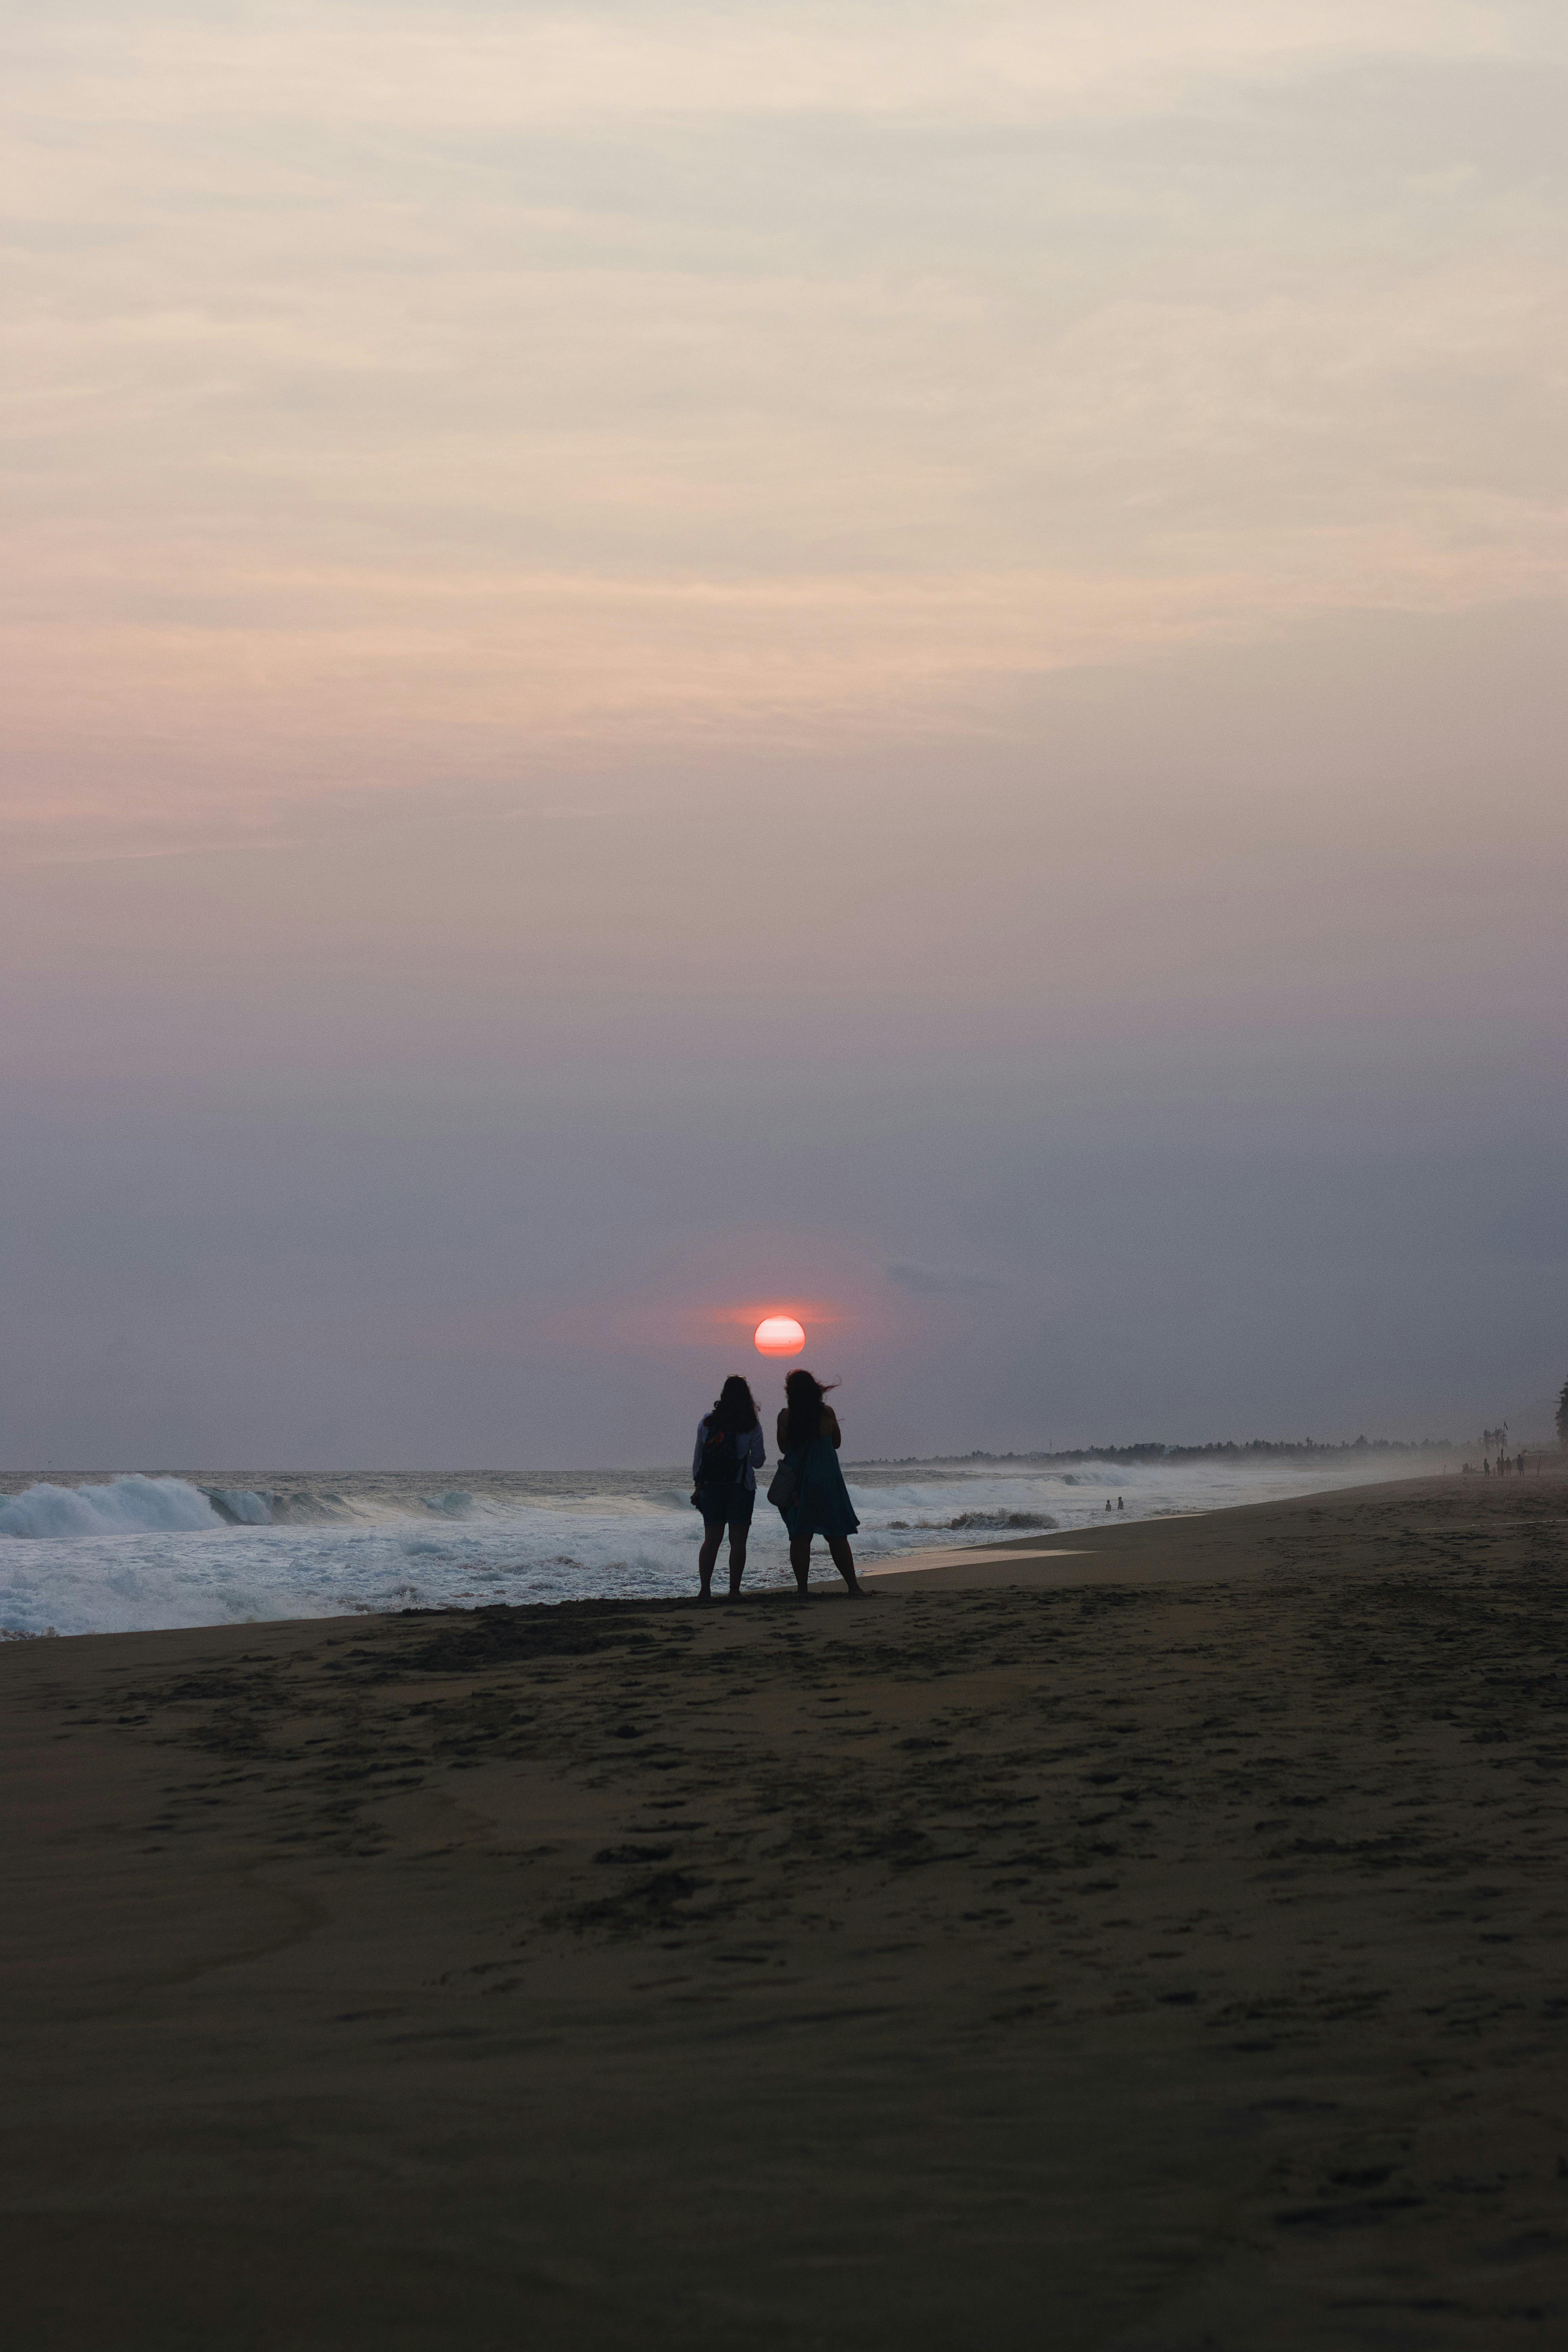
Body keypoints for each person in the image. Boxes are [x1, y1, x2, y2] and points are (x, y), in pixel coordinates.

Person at [773, 1368, 862, 1597]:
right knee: (837, 1535)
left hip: (801, 1484)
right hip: (827, 1479)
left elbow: (784, 1448)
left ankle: (803, 1589)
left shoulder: (785, 1416)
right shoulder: (827, 1413)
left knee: (801, 1536)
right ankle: (853, 1586)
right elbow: (837, 1443)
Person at [691, 1375, 765, 1600]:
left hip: (711, 1488)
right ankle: (734, 1591)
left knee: (712, 1540)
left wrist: (699, 1485)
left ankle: (705, 1591)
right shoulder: (751, 1425)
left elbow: (699, 1459)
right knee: (738, 1541)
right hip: (740, 1487)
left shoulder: (707, 1422)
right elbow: (759, 1461)